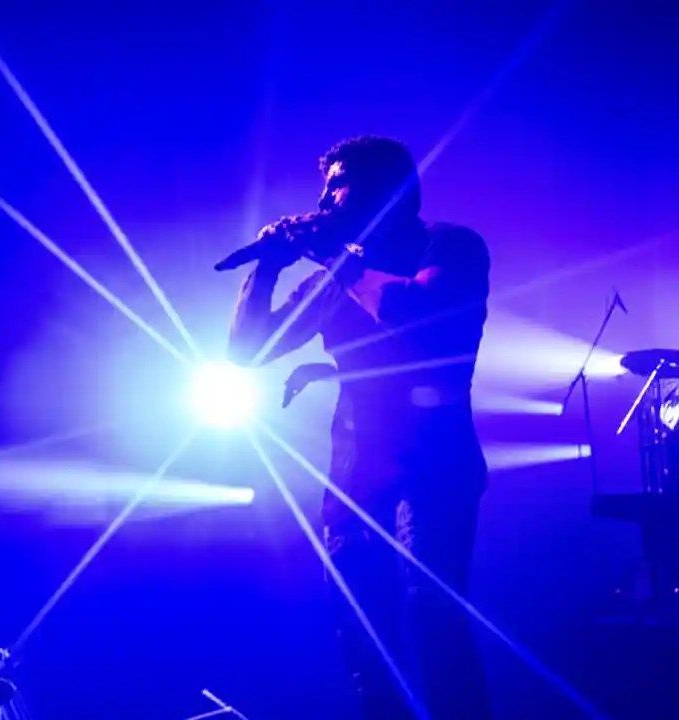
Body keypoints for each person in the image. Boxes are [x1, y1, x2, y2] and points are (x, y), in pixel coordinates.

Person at [228, 136, 491, 719]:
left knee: (432, 621)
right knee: (363, 635)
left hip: (435, 469)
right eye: (323, 188)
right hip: (354, 478)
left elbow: (419, 320)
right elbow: (247, 350)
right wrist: (267, 268)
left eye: (337, 184)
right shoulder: (333, 276)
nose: (323, 199)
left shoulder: (448, 245)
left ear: (385, 190)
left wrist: (337, 260)